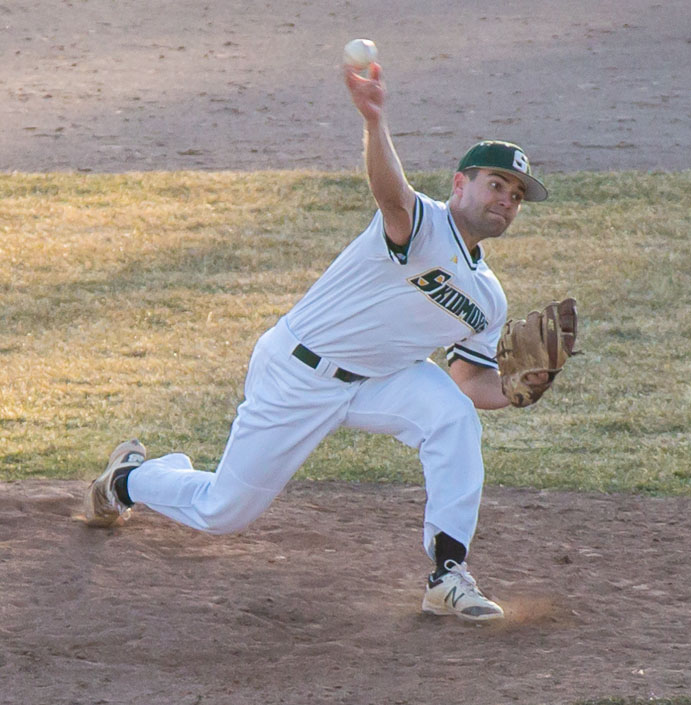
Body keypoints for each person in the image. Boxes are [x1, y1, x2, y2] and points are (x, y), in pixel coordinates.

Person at [82, 60, 555, 623]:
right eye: (495, 183)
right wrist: (374, 121)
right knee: (223, 512)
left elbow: (469, 382)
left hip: (382, 379)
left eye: (517, 195)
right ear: (460, 184)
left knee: (453, 418)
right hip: (299, 372)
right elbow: (390, 193)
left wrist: (521, 388)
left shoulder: (489, 298)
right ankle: (129, 480)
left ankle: (448, 576)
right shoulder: (423, 223)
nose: (505, 198)